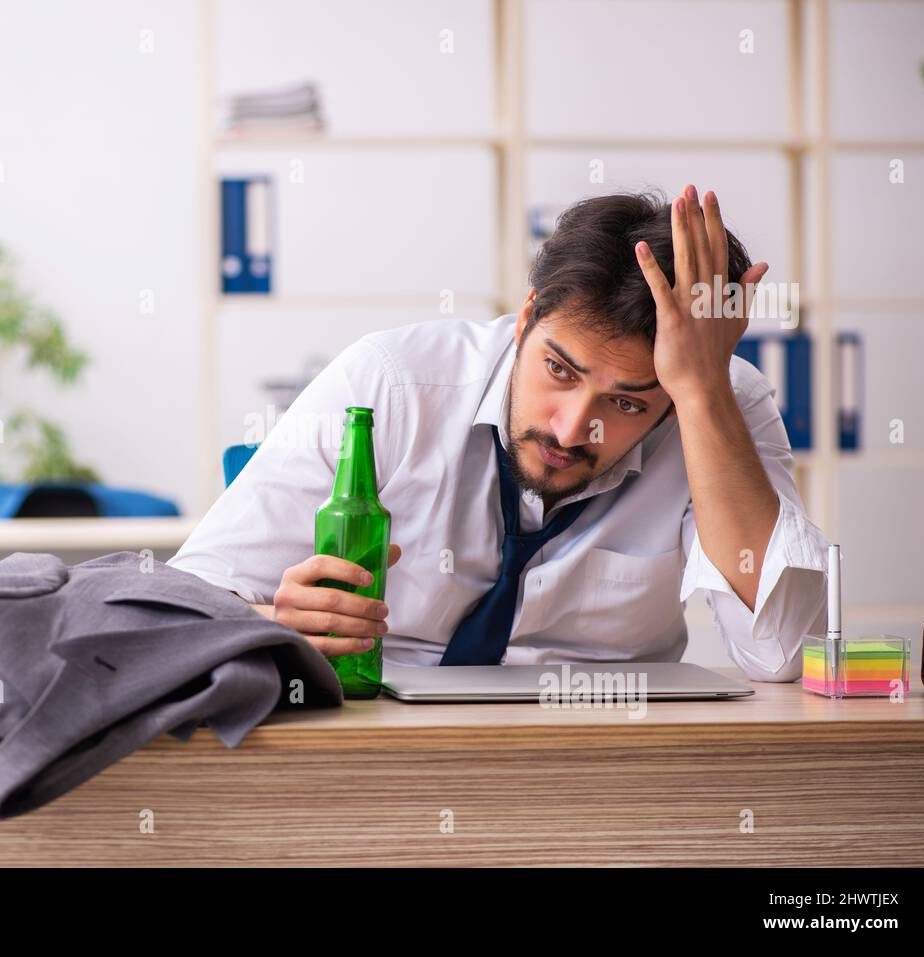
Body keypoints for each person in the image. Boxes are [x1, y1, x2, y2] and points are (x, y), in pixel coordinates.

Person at [168, 185, 830, 681]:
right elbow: (172, 609)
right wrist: (275, 626)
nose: (573, 428)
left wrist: (704, 393)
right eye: (558, 368)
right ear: (524, 319)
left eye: (628, 402)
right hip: (378, 744)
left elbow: (783, 651)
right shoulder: (394, 385)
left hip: (606, 761)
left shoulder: (716, 401)